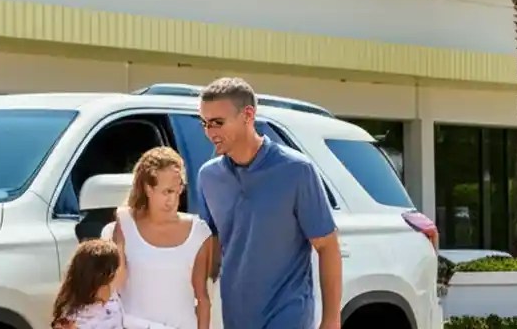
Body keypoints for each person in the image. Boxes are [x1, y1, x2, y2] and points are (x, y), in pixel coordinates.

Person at [194, 77, 342, 329]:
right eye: (205, 124)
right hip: (235, 316)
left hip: (288, 314)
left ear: (248, 115)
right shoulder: (209, 177)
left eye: (218, 122)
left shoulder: (296, 170)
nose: (210, 132)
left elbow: (327, 246)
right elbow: (212, 246)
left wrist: (331, 320)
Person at [106, 146, 214, 329]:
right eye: (166, 192)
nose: (172, 200)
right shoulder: (125, 224)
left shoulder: (199, 232)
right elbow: (114, 285)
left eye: (177, 190)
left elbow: (202, 298)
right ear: (149, 189)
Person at [51, 238, 179, 329]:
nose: (121, 273)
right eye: (116, 270)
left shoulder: (111, 299)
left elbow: (123, 320)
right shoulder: (73, 321)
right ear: (104, 277)